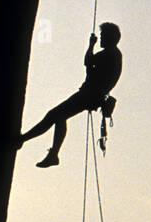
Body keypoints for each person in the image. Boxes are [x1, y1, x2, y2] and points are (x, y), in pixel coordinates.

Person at [19, 23, 123, 167]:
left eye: (103, 36)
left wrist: (90, 45)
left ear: (111, 38)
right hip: (91, 95)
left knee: (53, 115)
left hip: (89, 95)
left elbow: (87, 61)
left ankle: (23, 140)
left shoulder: (110, 54)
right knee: (59, 116)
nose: (100, 39)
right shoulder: (114, 55)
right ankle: (53, 153)